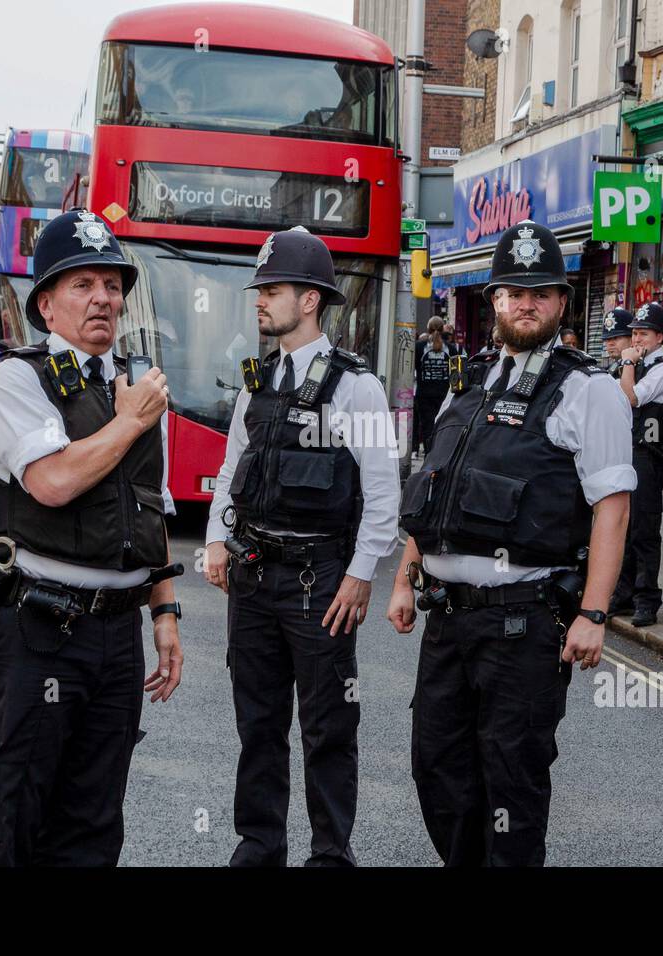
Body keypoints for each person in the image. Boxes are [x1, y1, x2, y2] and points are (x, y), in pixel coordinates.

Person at [387, 219, 633, 866]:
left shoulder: (591, 390)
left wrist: (594, 613)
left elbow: (613, 506)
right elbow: (434, 496)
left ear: (561, 302)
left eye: (542, 293)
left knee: (512, 784)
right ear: (493, 299)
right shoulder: (467, 390)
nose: (527, 303)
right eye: (515, 292)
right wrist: (404, 579)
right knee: (438, 773)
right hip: (448, 621)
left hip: (523, 625)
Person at [0, 208, 183, 867]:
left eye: (112, 285)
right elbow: (53, 482)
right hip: (36, 631)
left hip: (117, 636)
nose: (104, 298)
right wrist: (131, 420)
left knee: (92, 825)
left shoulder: (132, 384)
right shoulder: (15, 379)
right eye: (82, 284)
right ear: (46, 306)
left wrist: (164, 613)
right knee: (9, 816)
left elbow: (148, 509)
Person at [204, 226, 399, 867]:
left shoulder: (357, 387)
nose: (260, 299)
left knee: (327, 729)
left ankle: (329, 855)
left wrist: (361, 573)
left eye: (273, 289)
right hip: (254, 578)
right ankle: (259, 846)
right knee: (257, 723)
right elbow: (236, 464)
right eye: (261, 288)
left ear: (310, 300)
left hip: (321, 580)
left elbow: (381, 491)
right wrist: (216, 540)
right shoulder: (258, 380)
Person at [608, 302, 663, 628]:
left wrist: (626, 362)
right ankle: (623, 594)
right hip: (622, 451)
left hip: (647, 456)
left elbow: (630, 399)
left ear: (659, 337)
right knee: (621, 529)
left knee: (644, 532)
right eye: (635, 332)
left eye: (644, 333)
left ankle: (647, 599)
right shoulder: (632, 365)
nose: (638, 338)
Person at [414, 317, 451, 455]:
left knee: (427, 428)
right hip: (444, 395)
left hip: (424, 394)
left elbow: (414, 369)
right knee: (442, 428)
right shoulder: (451, 349)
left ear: (428, 329)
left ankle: (429, 457)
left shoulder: (419, 347)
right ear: (443, 330)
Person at [601, 308, 631, 375]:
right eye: (608, 339)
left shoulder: (641, 367)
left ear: (631, 339)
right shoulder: (611, 368)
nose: (611, 343)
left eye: (616, 338)